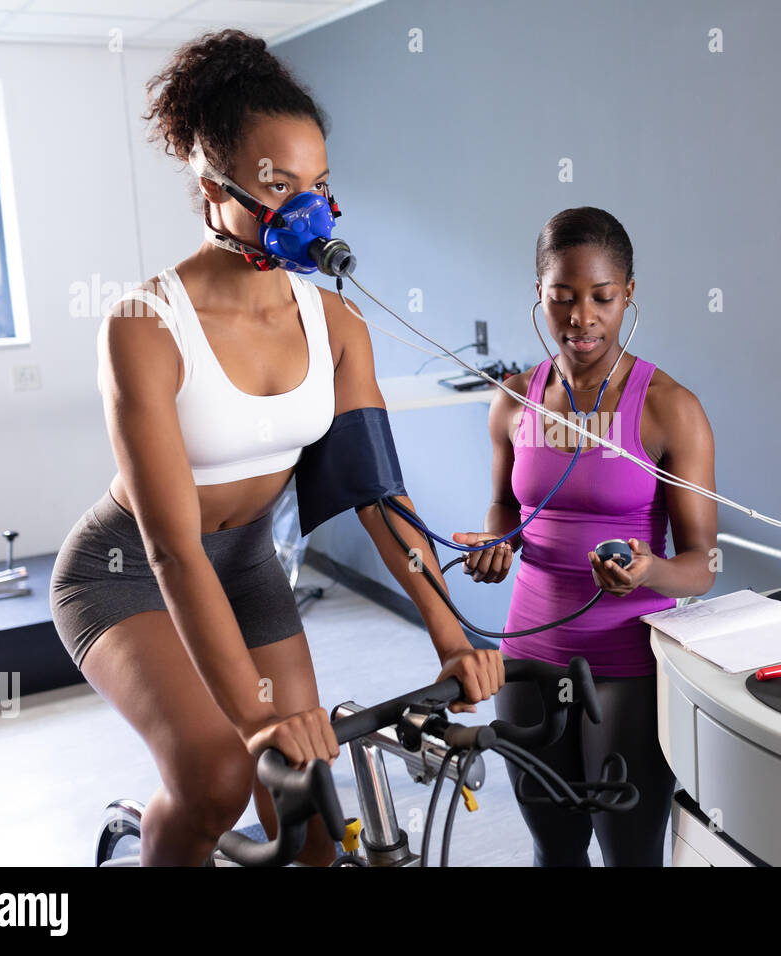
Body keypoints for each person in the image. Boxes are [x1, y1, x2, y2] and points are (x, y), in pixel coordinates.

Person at [49, 29, 503, 867]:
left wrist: (450, 632)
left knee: (314, 811)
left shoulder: (336, 322)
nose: (309, 210)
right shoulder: (144, 326)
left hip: (249, 564)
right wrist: (255, 719)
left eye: (321, 185)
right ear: (208, 178)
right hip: (125, 575)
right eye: (279, 186)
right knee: (220, 775)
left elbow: (378, 494)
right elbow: (170, 548)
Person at [453, 207, 718, 865]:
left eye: (602, 297)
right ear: (538, 296)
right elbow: (500, 508)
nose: (581, 317)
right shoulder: (514, 400)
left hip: (626, 667)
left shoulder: (670, 408)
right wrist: (497, 547)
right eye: (562, 297)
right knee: (554, 844)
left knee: (628, 850)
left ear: (629, 295)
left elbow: (702, 565)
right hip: (528, 656)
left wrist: (650, 572)